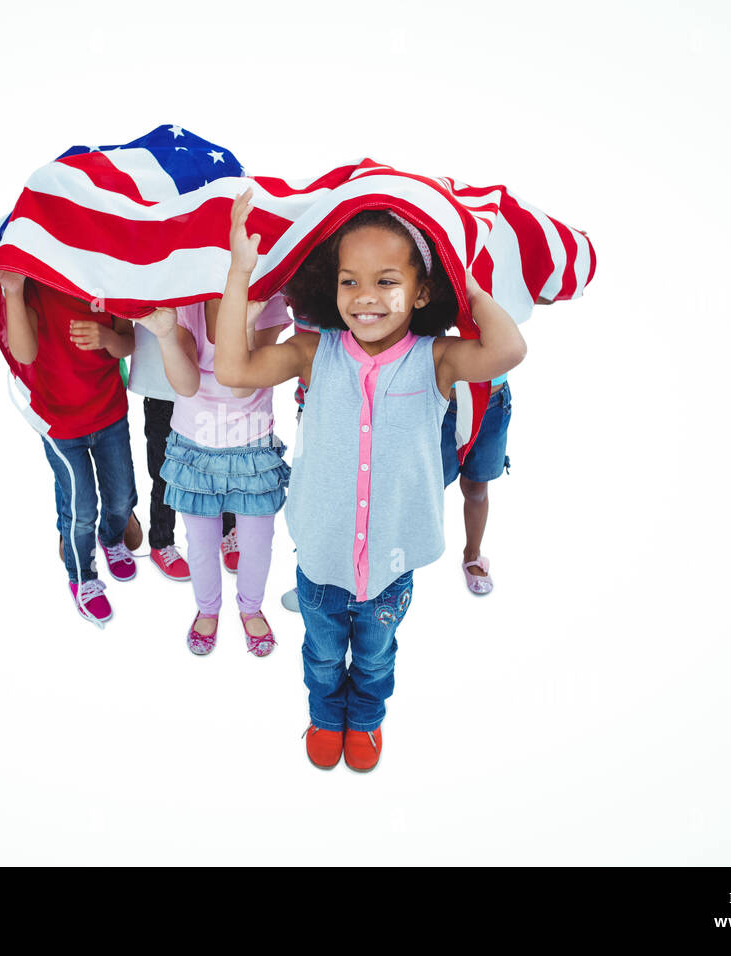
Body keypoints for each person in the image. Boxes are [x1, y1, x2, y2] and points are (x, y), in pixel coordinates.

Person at [214, 190, 526, 771]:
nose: (365, 299)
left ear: (423, 291)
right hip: (321, 562)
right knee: (323, 654)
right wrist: (239, 275)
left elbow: (509, 348)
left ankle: (367, 720)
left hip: (390, 565)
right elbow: (233, 370)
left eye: (386, 281)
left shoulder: (438, 359)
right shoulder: (313, 351)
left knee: (376, 658)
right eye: (350, 282)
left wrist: (472, 285)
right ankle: (326, 716)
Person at [136, 296, 292, 656]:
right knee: (201, 544)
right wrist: (165, 336)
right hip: (194, 449)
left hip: (251, 450)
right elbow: (186, 384)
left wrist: (247, 325)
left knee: (256, 545)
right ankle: (208, 609)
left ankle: (250, 607)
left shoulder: (265, 302)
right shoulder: (189, 303)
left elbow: (243, 384)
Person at [0, 266, 139, 627]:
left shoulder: (107, 273)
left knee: (121, 497)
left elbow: (127, 342)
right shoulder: (34, 285)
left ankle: (112, 537)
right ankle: (82, 577)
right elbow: (24, 354)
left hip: (109, 412)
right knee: (80, 509)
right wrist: (13, 288)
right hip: (60, 424)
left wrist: (106, 337)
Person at [440, 373, 511, 593]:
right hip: (440, 404)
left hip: (491, 402)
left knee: (477, 489)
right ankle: (401, 559)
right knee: (427, 489)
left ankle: (472, 554)